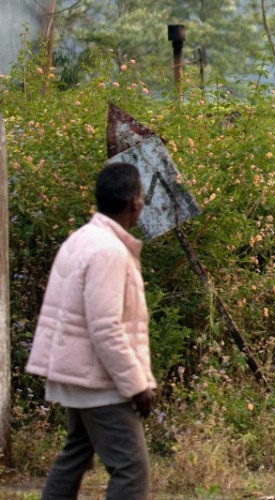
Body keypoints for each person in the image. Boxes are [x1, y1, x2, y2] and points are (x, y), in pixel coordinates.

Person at [26, 162, 156, 500]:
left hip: (78, 373)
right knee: (131, 468)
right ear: (134, 202)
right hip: (98, 381)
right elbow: (106, 328)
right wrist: (137, 385)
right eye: (141, 195)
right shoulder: (108, 251)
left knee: (75, 456)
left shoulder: (83, 239)